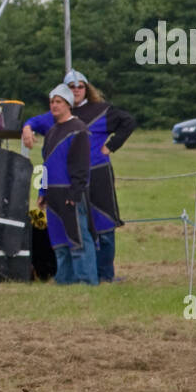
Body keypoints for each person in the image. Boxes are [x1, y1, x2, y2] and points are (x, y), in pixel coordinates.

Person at [22, 68, 135, 282]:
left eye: (80, 86)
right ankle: (72, 277)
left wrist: (110, 146)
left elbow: (128, 122)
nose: (76, 90)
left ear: (86, 88)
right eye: (71, 87)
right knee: (72, 228)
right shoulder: (57, 115)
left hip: (97, 173)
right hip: (66, 179)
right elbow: (33, 122)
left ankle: (104, 275)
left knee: (104, 223)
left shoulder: (101, 110)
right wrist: (27, 129)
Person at [35, 84, 97, 285]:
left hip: (69, 192)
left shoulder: (78, 130)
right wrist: (42, 190)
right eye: (52, 101)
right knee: (59, 241)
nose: (54, 105)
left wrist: (75, 192)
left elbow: (81, 166)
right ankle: (65, 280)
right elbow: (45, 163)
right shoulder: (52, 131)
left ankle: (86, 280)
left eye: (58, 101)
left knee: (77, 238)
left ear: (68, 104)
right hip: (52, 194)